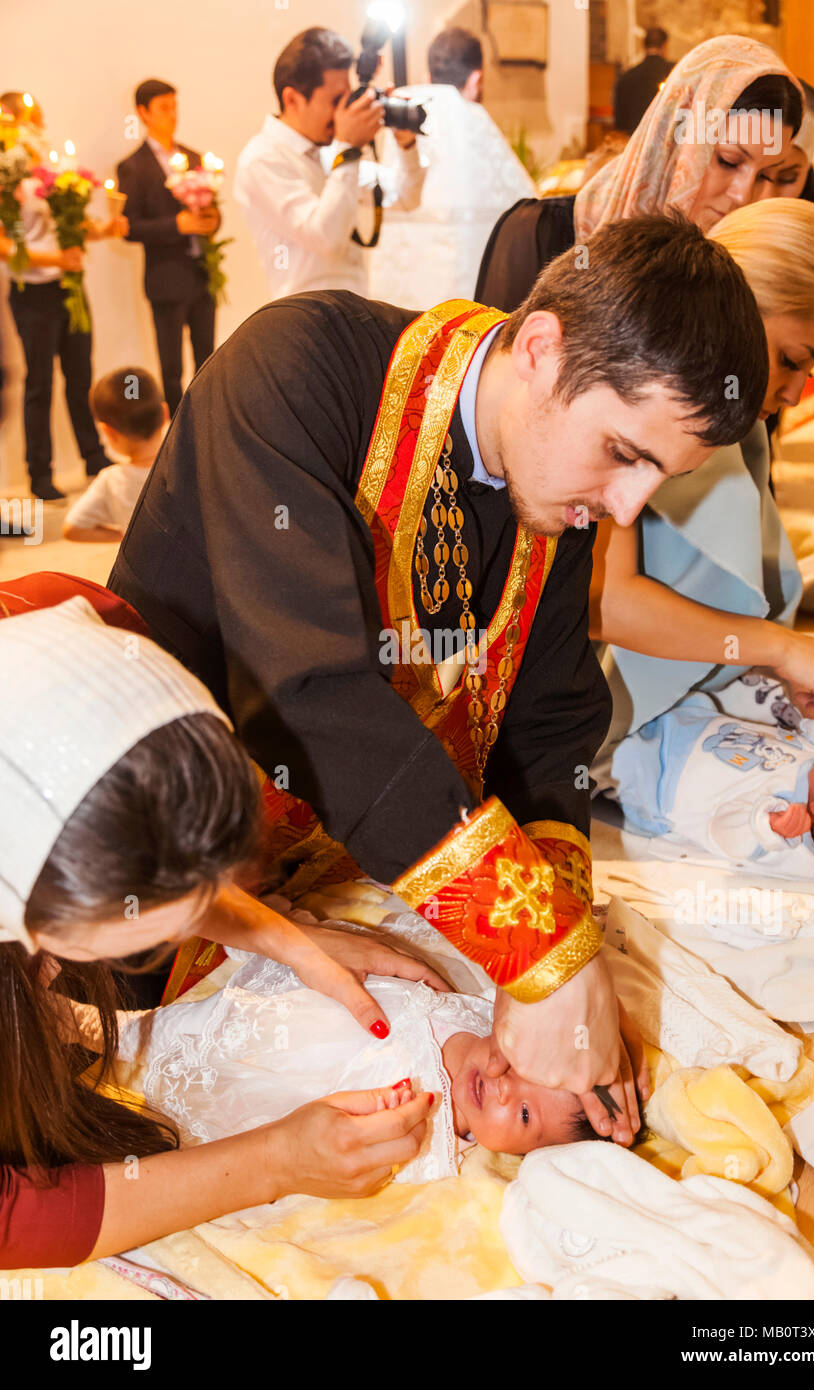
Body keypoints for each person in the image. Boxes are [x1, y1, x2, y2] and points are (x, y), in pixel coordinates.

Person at [108, 212, 768, 1124]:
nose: (625, 506)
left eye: (657, 479)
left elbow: (548, 725)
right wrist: (540, 955)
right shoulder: (295, 367)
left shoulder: (559, 494)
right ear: (541, 346)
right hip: (145, 882)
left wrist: (559, 949)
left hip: (327, 863)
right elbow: (310, 692)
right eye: (623, 453)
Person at [0, 595, 452, 1270]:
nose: (56, 978)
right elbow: (16, 1221)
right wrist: (274, 1162)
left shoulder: (87, 637)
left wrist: (281, 938)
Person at [590, 198, 814, 756]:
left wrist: (775, 651)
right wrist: (776, 647)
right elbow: (602, 600)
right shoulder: (635, 396)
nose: (794, 393)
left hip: (703, 670)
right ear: (736, 307)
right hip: (595, 697)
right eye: (791, 359)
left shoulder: (742, 418)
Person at [112, 964, 648, 1174]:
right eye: (526, 1065)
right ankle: (126, 1027)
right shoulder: (490, 1012)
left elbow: (387, 1156)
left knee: (199, 1044)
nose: (506, 1088)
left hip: (285, 1066)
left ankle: (121, 1037)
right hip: (315, 993)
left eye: (526, 1115)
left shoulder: (435, 1134)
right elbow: (546, 991)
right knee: (220, 1010)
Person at [475, 36, 805, 310]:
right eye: (729, 161)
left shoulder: (745, 271)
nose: (743, 195)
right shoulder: (536, 234)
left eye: (765, 176)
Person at [595, 675, 814, 881]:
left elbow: (725, 834)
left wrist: (765, 826)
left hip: (660, 779)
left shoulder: (787, 839)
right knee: (645, 691)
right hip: (690, 721)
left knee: (607, 751)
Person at [234, 28, 425, 300]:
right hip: (305, 327)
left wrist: (406, 144)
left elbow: (406, 197)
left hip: (353, 317)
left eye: (345, 98)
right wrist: (348, 149)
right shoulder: (262, 158)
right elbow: (326, 239)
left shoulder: (330, 151)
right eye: (335, 101)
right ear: (292, 99)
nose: (342, 112)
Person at [0, 91, 127, 502]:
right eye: (29, 119)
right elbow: (4, 244)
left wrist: (107, 229)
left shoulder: (50, 174)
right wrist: (55, 257)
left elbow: (71, 225)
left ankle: (94, 457)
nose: (38, 127)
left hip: (68, 286)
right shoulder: (7, 178)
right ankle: (39, 474)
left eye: (38, 119)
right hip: (31, 290)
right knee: (39, 383)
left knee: (80, 376)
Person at [367, 26, 536, 307]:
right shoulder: (473, 119)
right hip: (460, 299)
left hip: (395, 302)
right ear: (476, 79)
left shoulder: (402, 113)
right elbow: (529, 209)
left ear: (428, 77)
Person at [116, 80, 219, 417]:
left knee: (209, 358)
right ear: (143, 113)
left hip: (202, 274)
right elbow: (130, 228)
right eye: (163, 108)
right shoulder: (133, 167)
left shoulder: (192, 157)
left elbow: (211, 215)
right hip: (165, 279)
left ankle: (211, 422)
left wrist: (211, 219)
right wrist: (178, 225)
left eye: (175, 106)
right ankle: (179, 436)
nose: (172, 115)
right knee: (171, 367)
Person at [62, 366, 168, 543]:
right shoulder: (191, 463)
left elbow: (72, 529)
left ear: (108, 432)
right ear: (165, 413)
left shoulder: (111, 481)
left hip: (143, 569)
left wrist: (127, 537)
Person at [613, 26, 674, 136]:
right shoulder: (674, 73)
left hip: (635, 140)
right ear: (665, 45)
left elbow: (620, 122)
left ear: (644, 47)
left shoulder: (627, 77)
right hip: (667, 139)